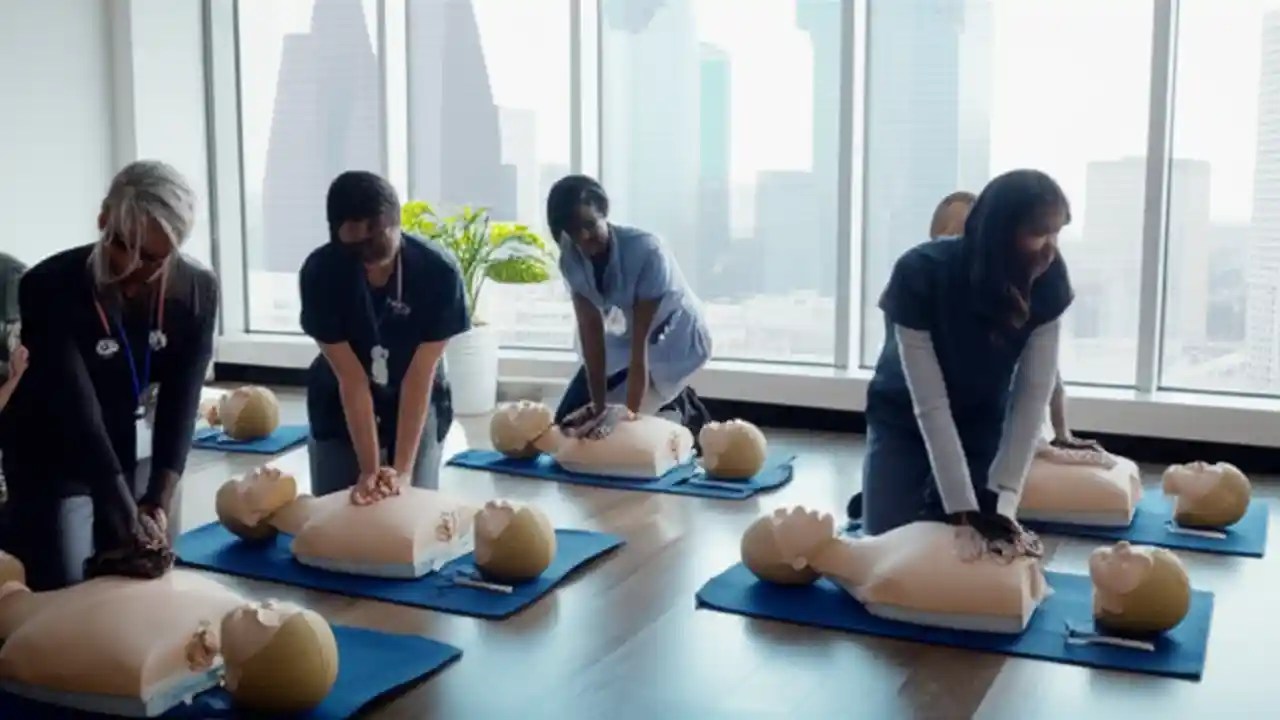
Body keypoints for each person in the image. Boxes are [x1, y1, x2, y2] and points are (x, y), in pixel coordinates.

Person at [0, 161, 218, 590]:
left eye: (151, 258)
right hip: (49, 449)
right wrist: (121, 507)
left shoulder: (196, 291)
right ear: (103, 221)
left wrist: (158, 498)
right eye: (122, 246)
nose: (131, 269)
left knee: (140, 579)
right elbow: (75, 405)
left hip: (123, 443)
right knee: (66, 587)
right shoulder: (49, 284)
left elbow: (181, 398)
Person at [850, 169, 1074, 546]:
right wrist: (960, 506)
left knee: (979, 539)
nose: (1051, 248)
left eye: (1057, 233)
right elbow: (930, 404)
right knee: (885, 544)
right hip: (903, 415)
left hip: (982, 420)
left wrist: (1003, 502)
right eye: (1040, 234)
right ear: (1001, 231)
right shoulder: (919, 273)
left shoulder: (1051, 280)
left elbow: (1031, 398)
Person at [300, 171, 468, 502]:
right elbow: (351, 380)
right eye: (357, 252)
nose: (372, 268)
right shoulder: (320, 273)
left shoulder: (439, 273)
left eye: (379, 248)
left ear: (397, 223)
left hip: (416, 388)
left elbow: (420, 376)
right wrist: (369, 469)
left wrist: (402, 471)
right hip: (340, 393)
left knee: (409, 505)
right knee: (340, 510)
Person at [546, 175, 713, 440]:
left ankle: (682, 408)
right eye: (573, 230)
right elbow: (592, 338)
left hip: (673, 337)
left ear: (604, 212)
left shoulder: (647, 252)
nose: (583, 237)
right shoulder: (571, 260)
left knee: (617, 432)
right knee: (566, 425)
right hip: (625, 335)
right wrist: (598, 407)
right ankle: (653, 407)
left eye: (589, 225)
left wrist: (629, 421)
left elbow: (639, 347)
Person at [932, 190, 1098, 452]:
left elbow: (1049, 372)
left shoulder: (1013, 289)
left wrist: (1062, 433)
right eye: (954, 234)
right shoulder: (923, 287)